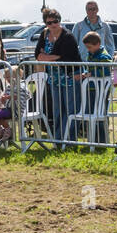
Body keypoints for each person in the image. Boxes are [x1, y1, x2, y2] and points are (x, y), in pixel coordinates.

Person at [35, 9, 82, 147]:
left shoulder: (68, 36)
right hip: (53, 79)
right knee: (57, 111)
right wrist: (54, 57)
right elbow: (37, 55)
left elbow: (66, 57)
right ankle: (58, 140)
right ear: (46, 23)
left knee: (71, 111)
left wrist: (47, 57)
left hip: (70, 77)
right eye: (49, 22)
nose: (53, 24)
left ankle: (70, 141)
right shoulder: (44, 35)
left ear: (59, 21)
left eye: (55, 21)